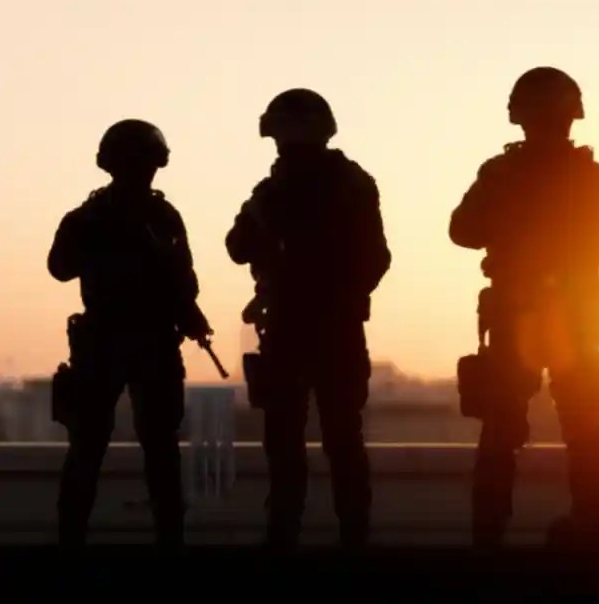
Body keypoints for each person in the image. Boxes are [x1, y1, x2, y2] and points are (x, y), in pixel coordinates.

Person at [451, 66, 599, 549]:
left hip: (516, 315)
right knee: (585, 427)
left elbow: (462, 231)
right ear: (572, 115)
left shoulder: (501, 173)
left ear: (519, 116)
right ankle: (594, 528)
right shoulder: (595, 178)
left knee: (500, 429)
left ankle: (488, 538)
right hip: (574, 316)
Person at [226, 88, 391, 550]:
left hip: (301, 328)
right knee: (335, 438)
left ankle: (287, 535)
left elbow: (237, 246)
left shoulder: (280, 191)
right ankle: (347, 537)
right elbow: (376, 259)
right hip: (325, 328)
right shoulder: (346, 184)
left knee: (293, 440)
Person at [49, 119, 213, 547]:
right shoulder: (149, 216)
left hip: (121, 343)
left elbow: (60, 267)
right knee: (150, 451)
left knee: (98, 449)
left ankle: (73, 544)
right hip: (133, 343)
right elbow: (62, 267)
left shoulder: (116, 215)